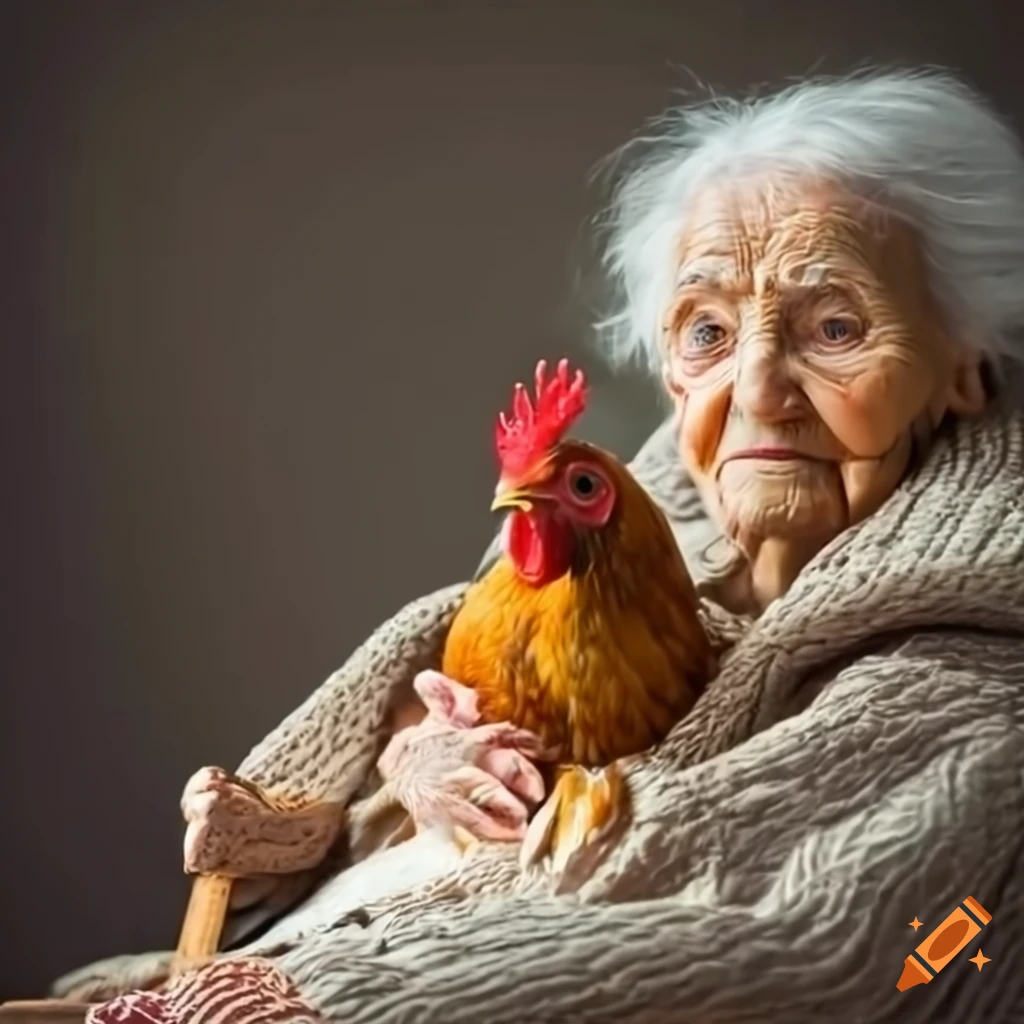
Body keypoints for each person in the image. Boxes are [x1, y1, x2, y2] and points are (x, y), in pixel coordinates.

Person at [53, 68, 1024, 1023]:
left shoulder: (972, 695)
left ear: (963, 368)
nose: (758, 387)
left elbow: (836, 953)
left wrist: (314, 996)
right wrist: (413, 765)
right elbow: (404, 786)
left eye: (835, 325)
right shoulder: (614, 565)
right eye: (708, 331)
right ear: (671, 371)